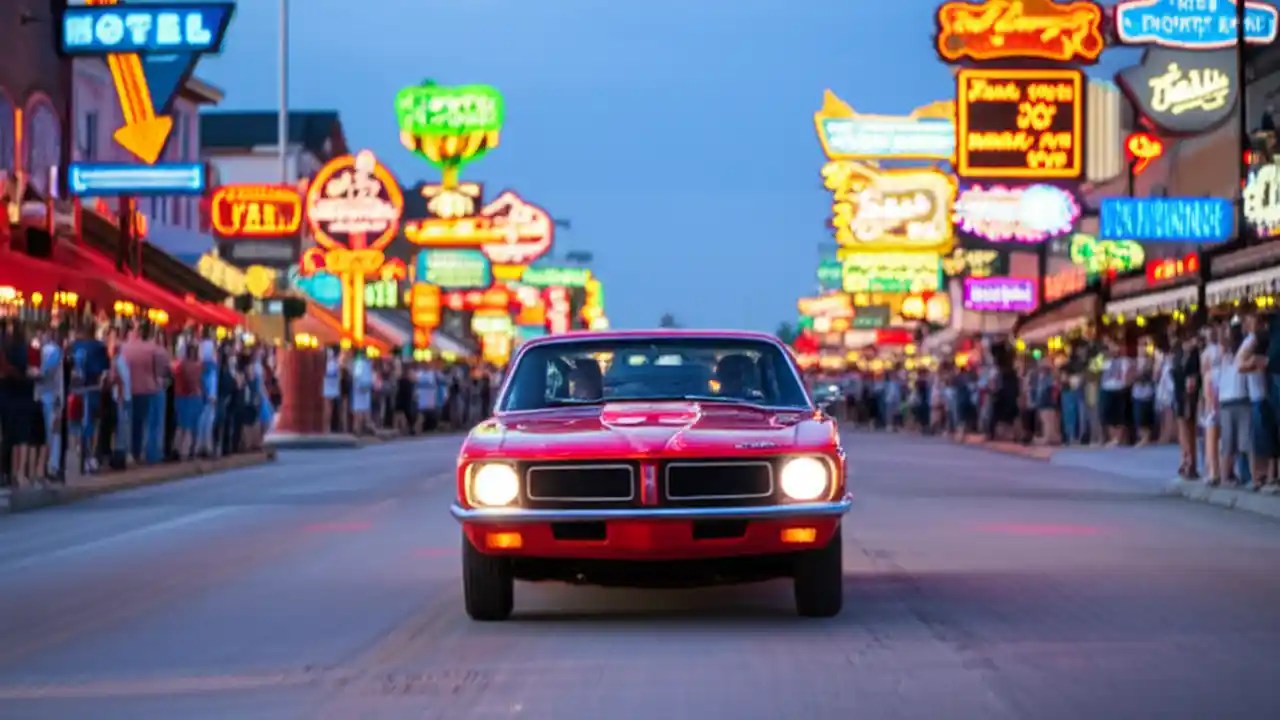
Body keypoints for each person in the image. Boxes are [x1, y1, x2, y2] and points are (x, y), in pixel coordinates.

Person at [1171, 327, 1201, 479]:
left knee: (1189, 431)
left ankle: (1191, 463)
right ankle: (1185, 460)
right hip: (1179, 394)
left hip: (1189, 396)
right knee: (1183, 431)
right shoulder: (1179, 355)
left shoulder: (1194, 355)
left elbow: (1195, 375)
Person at [173, 342, 203, 459]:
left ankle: (179, 449)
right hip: (191, 397)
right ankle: (188, 450)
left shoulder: (181, 365)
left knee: (182, 425)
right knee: (191, 426)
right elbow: (194, 382)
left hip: (181, 396)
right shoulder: (195, 366)